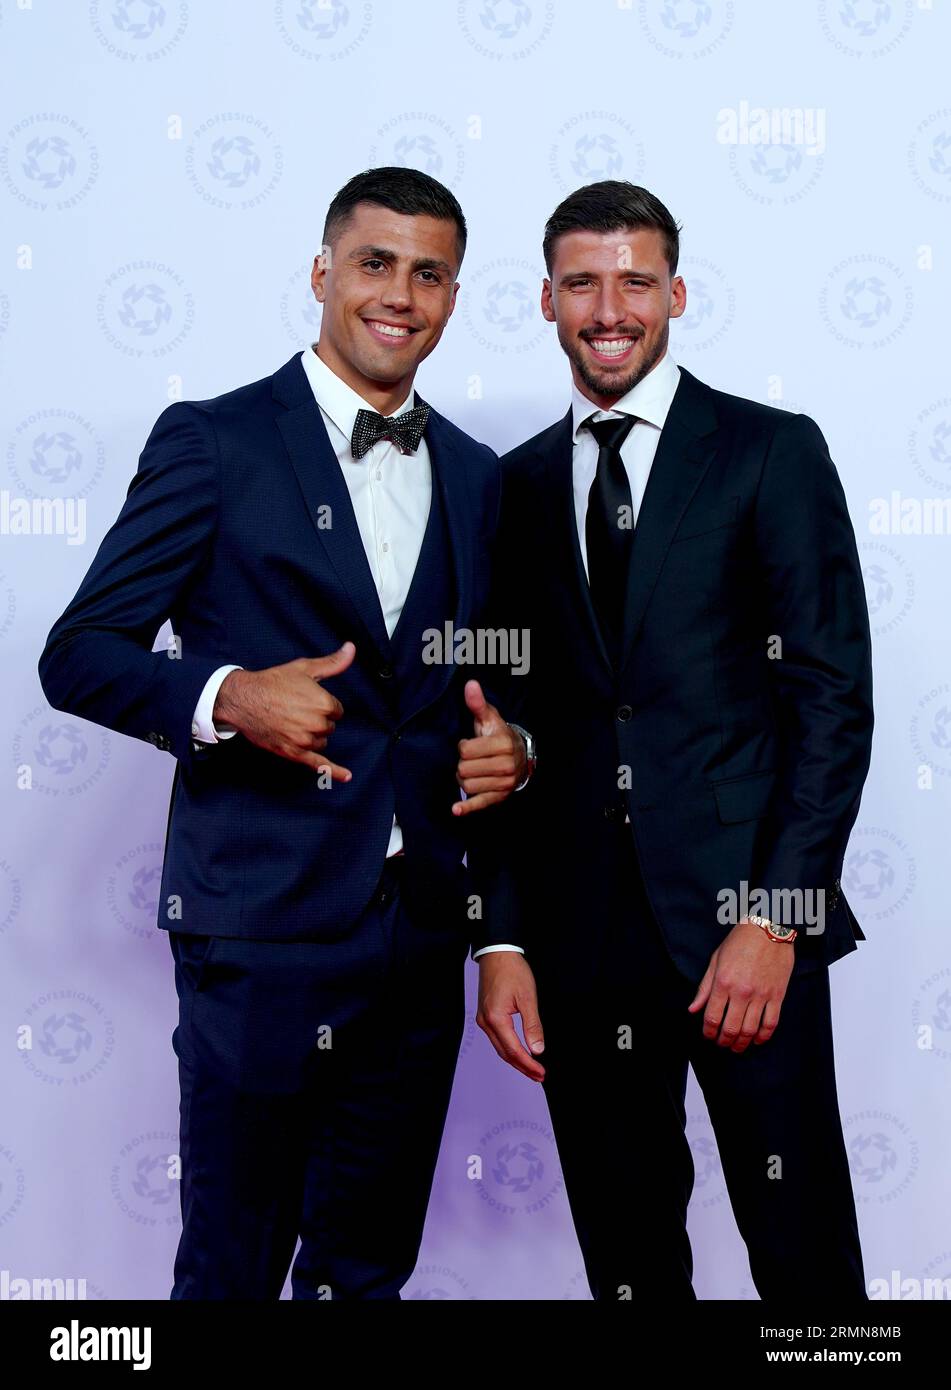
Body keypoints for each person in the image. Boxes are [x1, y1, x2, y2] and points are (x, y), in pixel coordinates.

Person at [38, 166, 528, 1300]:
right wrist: (225, 695)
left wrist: (525, 754)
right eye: (374, 263)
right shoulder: (215, 441)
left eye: (430, 272)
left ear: (453, 296)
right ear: (321, 274)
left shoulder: (474, 475)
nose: (399, 293)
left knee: (363, 1268)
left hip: (416, 939)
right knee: (231, 1265)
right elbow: (80, 651)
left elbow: (490, 695)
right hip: (259, 931)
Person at [467, 180, 874, 1301]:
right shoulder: (515, 490)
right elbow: (493, 732)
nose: (611, 308)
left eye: (635, 281)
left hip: (748, 931)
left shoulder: (769, 451)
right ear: (547, 300)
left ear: (676, 293)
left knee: (805, 1256)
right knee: (629, 1256)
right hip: (582, 944)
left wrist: (773, 920)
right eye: (584, 283)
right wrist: (501, 939)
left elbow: (832, 697)